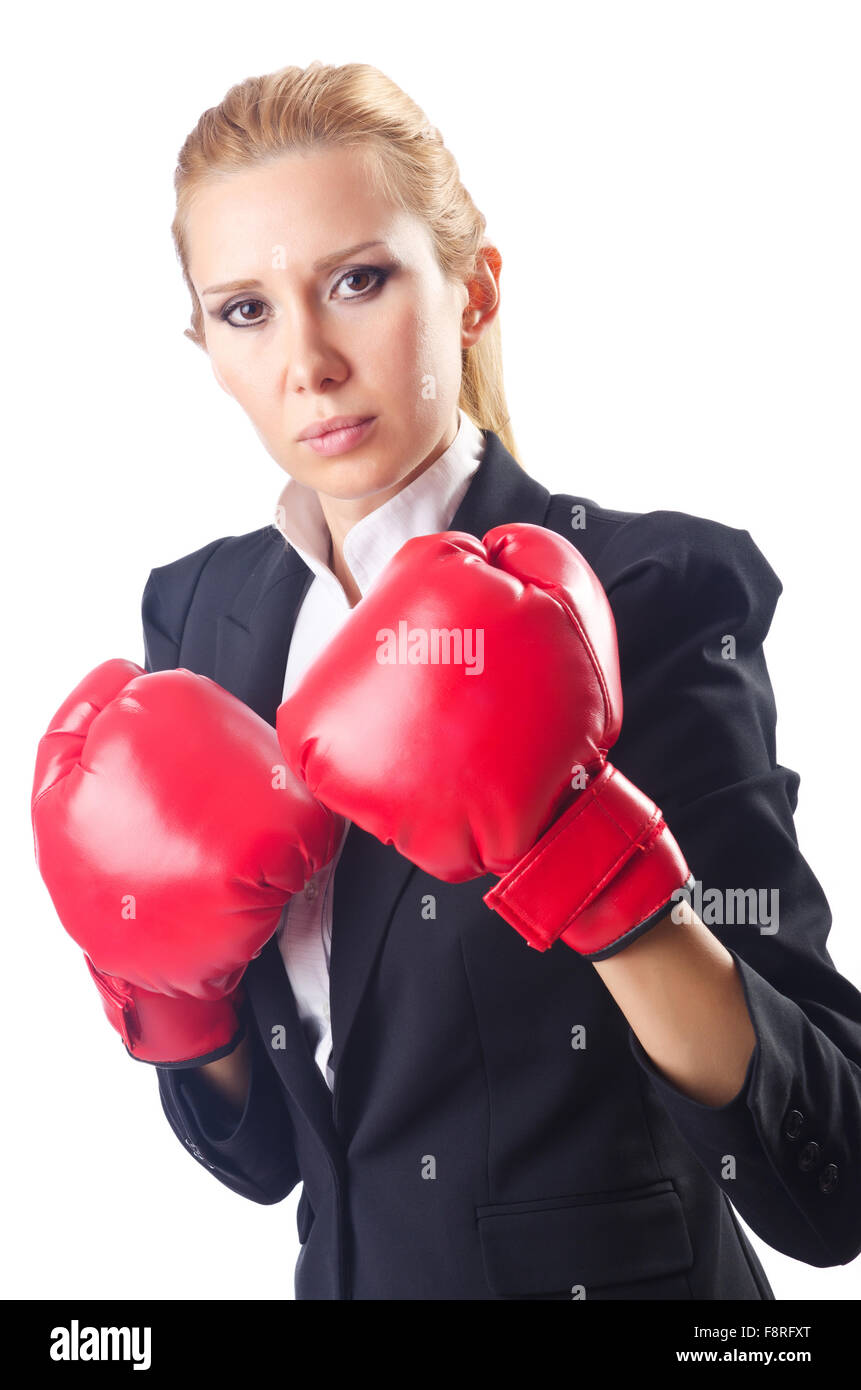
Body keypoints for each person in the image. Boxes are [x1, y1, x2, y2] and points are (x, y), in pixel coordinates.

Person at [33, 60, 861, 1301]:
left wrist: (587, 855)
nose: (308, 360)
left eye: (357, 281)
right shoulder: (201, 614)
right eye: (246, 309)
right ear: (203, 343)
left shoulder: (651, 590)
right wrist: (169, 991)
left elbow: (830, 1173)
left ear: (471, 290)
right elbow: (265, 1159)